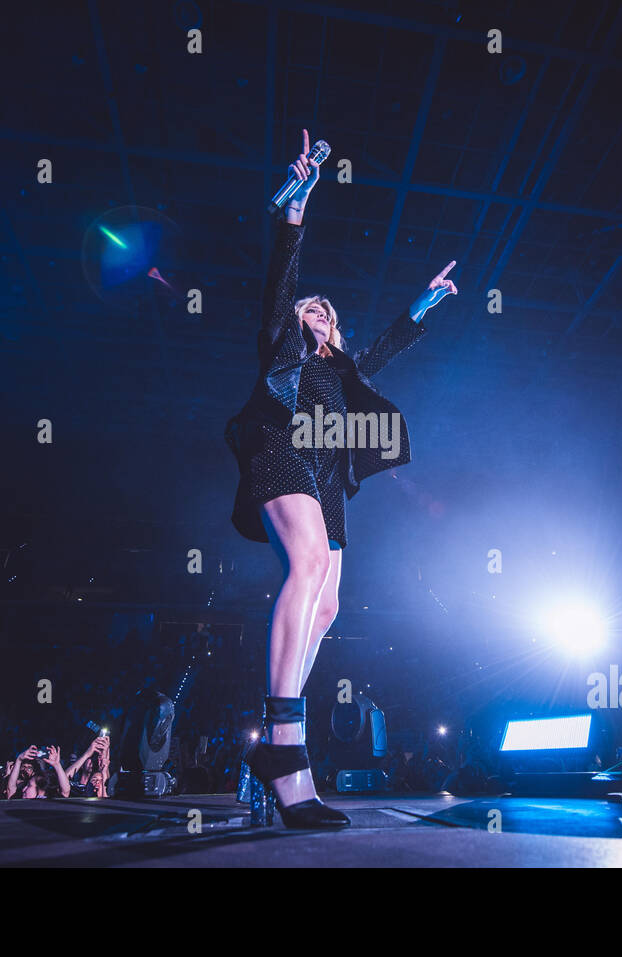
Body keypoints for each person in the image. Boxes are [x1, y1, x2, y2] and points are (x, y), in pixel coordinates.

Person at [224, 129, 458, 828]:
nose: (315, 313)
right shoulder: (282, 346)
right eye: (308, 309)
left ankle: (273, 744)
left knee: (327, 607)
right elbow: (280, 283)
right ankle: (285, 741)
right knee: (308, 566)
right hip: (280, 450)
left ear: (335, 327)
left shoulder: (342, 368)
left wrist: (422, 307)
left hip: (326, 476)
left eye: (324, 311)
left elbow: (380, 350)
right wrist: (294, 212)